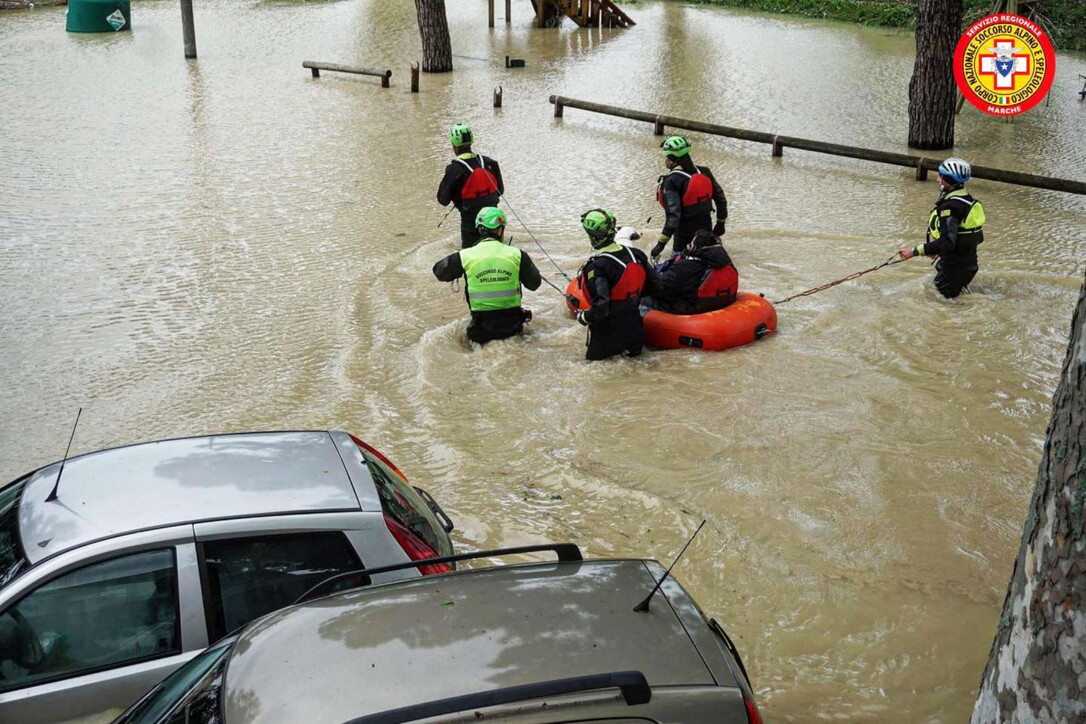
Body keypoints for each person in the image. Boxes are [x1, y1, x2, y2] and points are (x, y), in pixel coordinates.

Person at [433, 207, 541, 345]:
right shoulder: (517, 254)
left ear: (479, 229)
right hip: (513, 328)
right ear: (500, 229)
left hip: (479, 332)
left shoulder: (466, 255)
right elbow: (534, 284)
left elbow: (439, 272)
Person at [571, 209, 661, 361]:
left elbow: (601, 306)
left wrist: (584, 317)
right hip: (635, 331)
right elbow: (657, 286)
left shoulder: (597, 266)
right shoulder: (637, 254)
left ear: (592, 237)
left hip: (606, 336)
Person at [898, 157, 985, 299]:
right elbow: (970, 237)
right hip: (968, 264)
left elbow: (947, 241)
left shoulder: (950, 207)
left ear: (948, 180)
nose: (937, 179)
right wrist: (938, 250)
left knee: (938, 303)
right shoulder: (967, 201)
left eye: (940, 175)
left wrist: (914, 251)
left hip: (953, 268)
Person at [652, 136, 728, 263]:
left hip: (683, 236)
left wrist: (660, 244)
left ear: (672, 160)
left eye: (666, 157)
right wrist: (721, 223)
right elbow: (720, 198)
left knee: (677, 269)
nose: (665, 160)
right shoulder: (704, 172)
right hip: (706, 232)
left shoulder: (672, 181)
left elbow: (673, 216)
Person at [436, 124, 505, 248]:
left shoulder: (454, 169)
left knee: (470, 258)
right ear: (471, 141)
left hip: (470, 224)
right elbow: (500, 191)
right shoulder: (490, 163)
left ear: (454, 146)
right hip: (495, 223)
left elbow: (442, 200)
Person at [645, 229, 738, 315]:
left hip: (691, 308)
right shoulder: (726, 262)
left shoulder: (687, 266)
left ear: (696, 246)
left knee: (641, 299)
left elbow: (660, 287)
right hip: (723, 302)